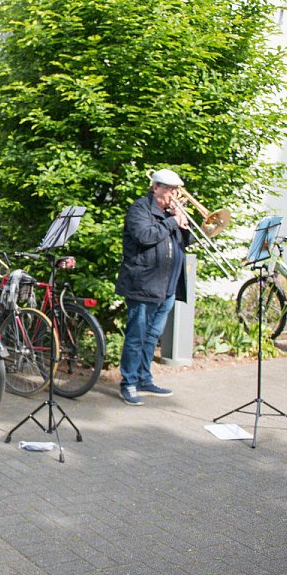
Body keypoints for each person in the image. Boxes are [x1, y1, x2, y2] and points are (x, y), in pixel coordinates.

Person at [114, 168, 195, 405]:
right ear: (155, 187)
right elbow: (145, 236)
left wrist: (183, 224)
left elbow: (188, 242)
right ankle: (128, 383)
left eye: (176, 190)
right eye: (168, 189)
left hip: (168, 285)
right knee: (136, 336)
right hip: (143, 283)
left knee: (152, 336)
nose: (173, 194)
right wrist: (172, 221)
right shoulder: (140, 209)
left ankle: (143, 378)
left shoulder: (170, 213)